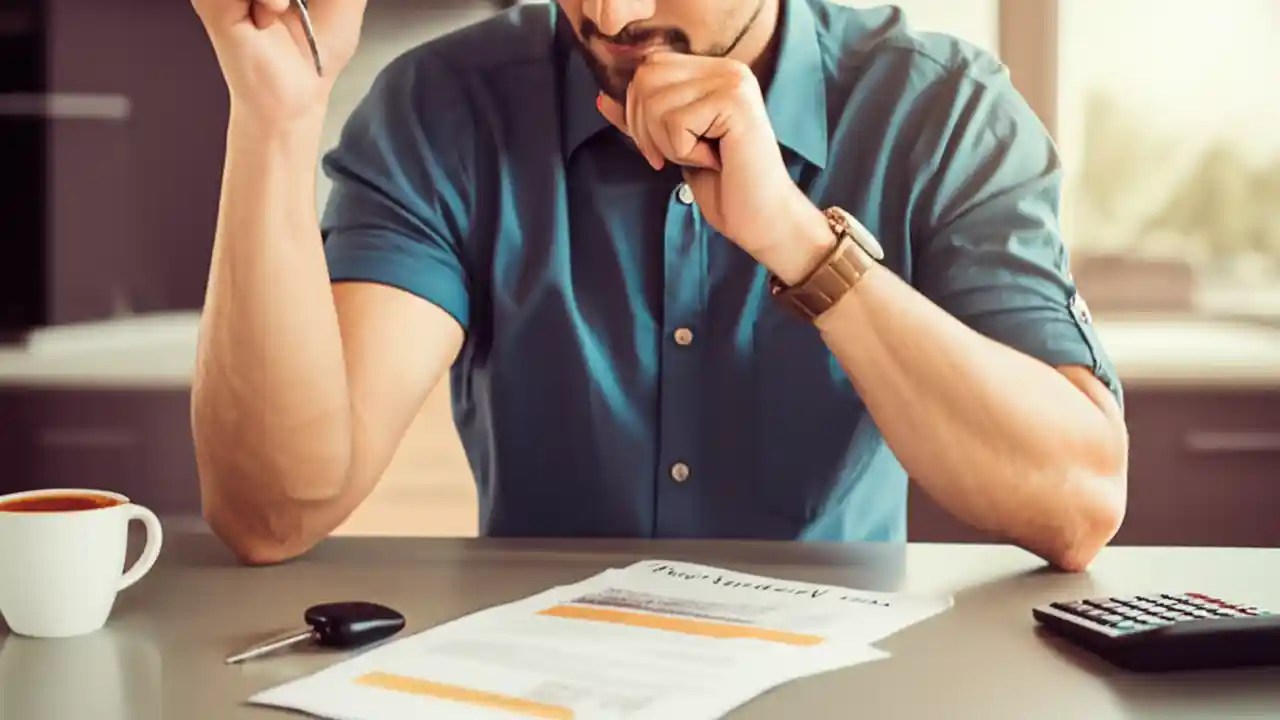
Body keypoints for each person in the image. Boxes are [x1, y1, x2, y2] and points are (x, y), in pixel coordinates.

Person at [188, 0, 1129, 571]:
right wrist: (275, 116)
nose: (605, 15)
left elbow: (1077, 503)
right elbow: (275, 514)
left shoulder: (942, 110)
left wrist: (803, 245)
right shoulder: (448, 109)